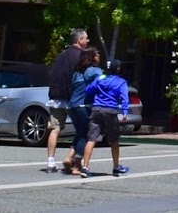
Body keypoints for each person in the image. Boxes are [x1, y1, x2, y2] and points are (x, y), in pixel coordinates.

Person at [45, 28, 90, 173]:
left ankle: (50, 162)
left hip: (56, 96)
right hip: (72, 98)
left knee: (55, 129)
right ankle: (72, 158)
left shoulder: (61, 55)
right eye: (86, 38)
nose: (88, 41)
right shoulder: (81, 56)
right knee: (82, 130)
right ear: (79, 40)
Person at [78, 59, 131, 177]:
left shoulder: (100, 78)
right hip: (110, 111)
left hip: (96, 109)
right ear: (117, 69)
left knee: (91, 138)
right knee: (114, 140)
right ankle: (116, 166)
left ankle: (85, 167)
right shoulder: (121, 82)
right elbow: (124, 97)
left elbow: (88, 90)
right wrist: (125, 111)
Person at [64, 48, 103, 176]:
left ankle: (69, 157)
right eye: (97, 54)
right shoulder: (94, 71)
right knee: (84, 135)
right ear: (92, 57)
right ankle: (77, 165)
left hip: (72, 106)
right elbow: (102, 83)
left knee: (79, 132)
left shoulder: (77, 72)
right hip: (83, 106)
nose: (99, 55)